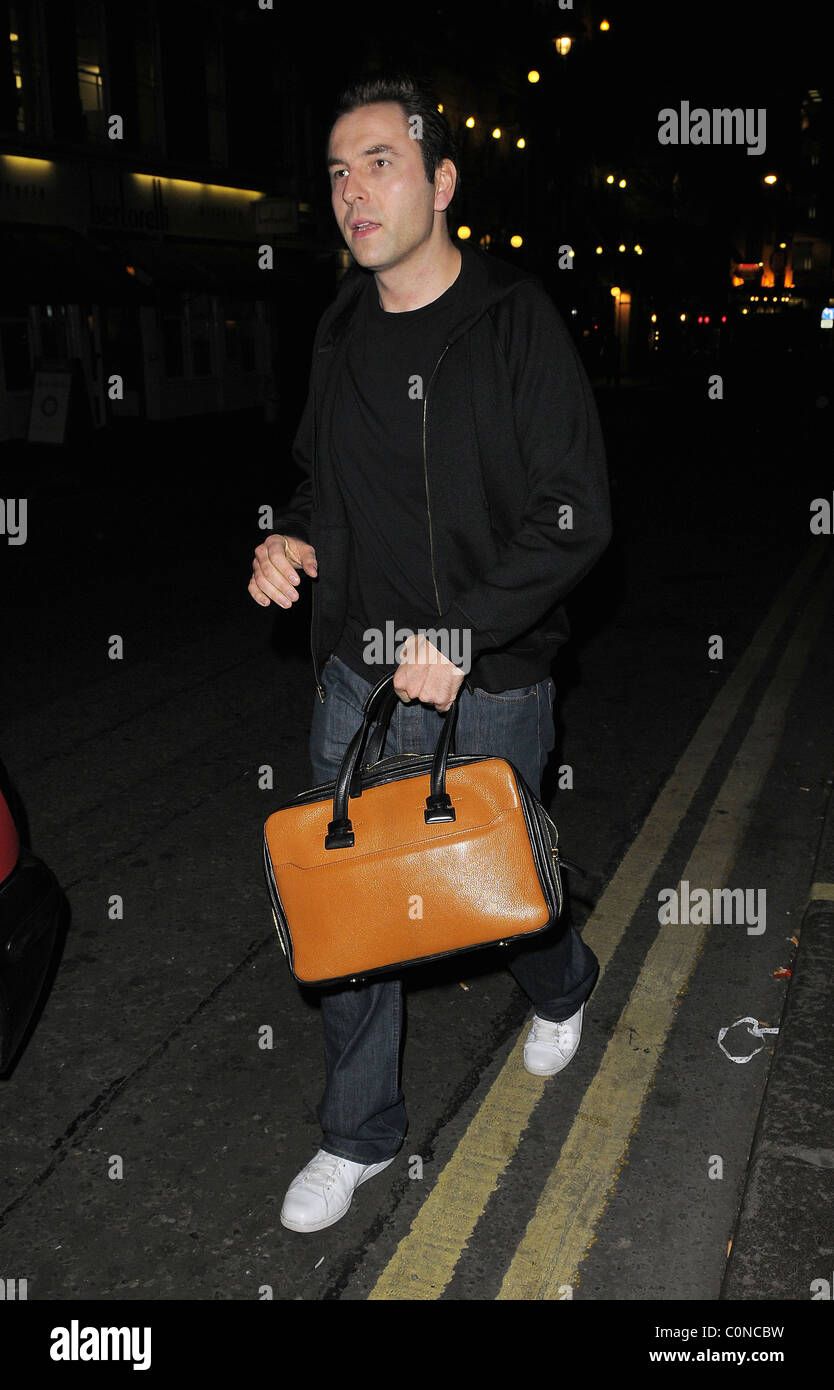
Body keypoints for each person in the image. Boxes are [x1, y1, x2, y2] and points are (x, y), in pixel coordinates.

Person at [249, 75, 612, 1234]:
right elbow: (320, 479)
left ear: (441, 180)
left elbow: (574, 513)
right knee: (352, 908)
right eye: (339, 173)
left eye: (381, 163)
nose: (355, 193)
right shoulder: (342, 328)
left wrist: (470, 634)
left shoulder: (513, 321)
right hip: (357, 675)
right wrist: (290, 537)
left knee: (497, 902)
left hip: (489, 680)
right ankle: (358, 1136)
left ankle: (563, 979)